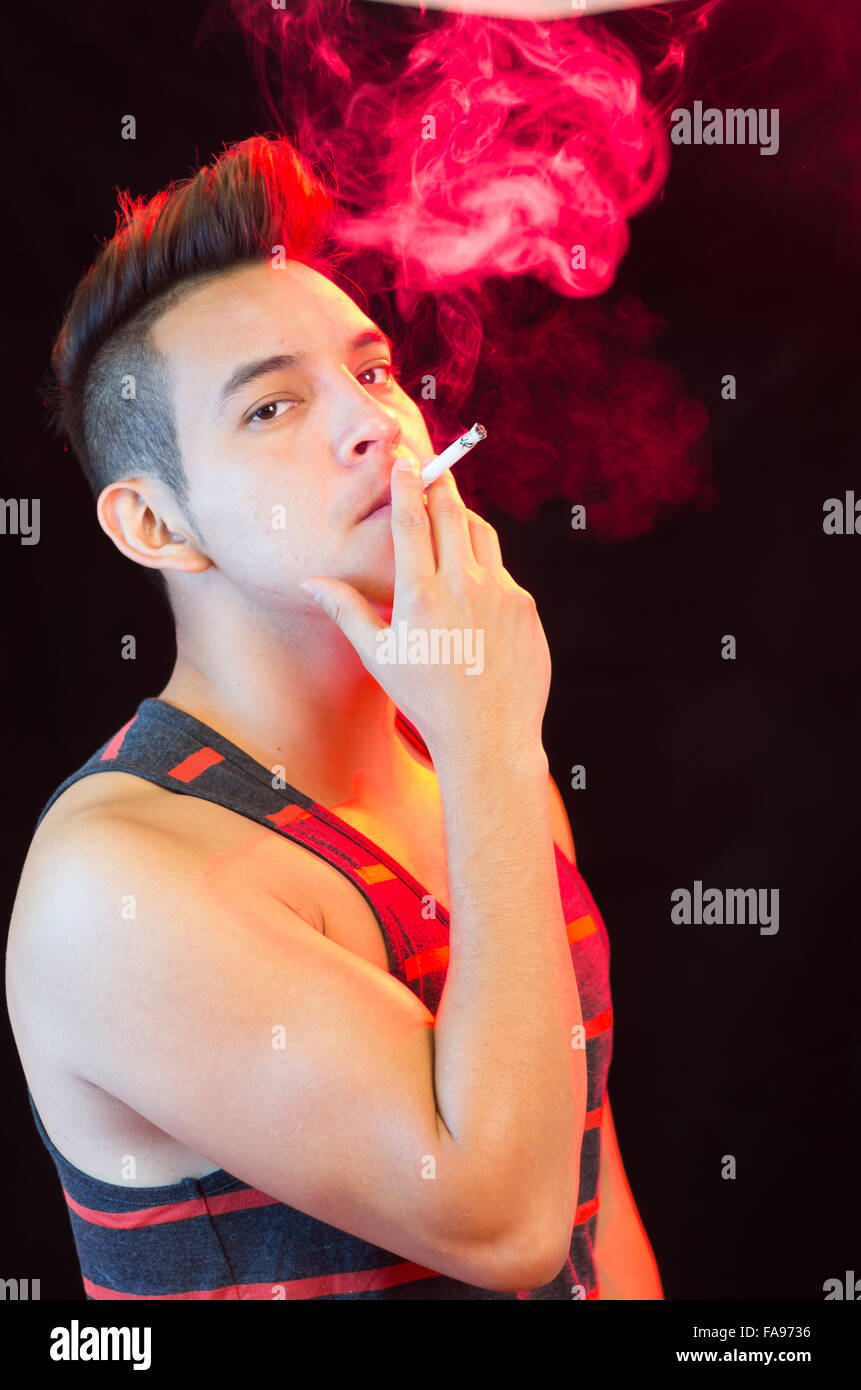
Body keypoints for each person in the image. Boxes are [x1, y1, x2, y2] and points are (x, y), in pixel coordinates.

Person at [6, 134, 661, 1300]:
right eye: (269, 407)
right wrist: (493, 742)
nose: (374, 426)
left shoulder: (463, 758)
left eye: (372, 374)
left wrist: (485, 750)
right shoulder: (118, 885)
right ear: (155, 526)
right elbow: (504, 1221)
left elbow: (583, 1196)